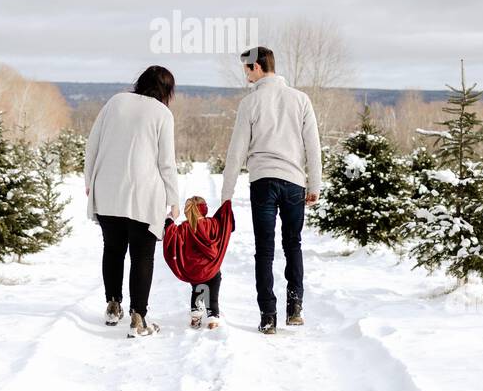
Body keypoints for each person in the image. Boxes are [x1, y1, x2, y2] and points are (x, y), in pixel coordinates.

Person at [220, 45, 322, 334]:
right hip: (293, 183)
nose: (245, 74)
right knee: (294, 244)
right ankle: (295, 307)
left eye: (246, 68)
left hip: (262, 183)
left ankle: (268, 315)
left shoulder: (250, 104)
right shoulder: (301, 100)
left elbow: (236, 152)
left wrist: (226, 196)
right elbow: (312, 147)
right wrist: (314, 185)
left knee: (264, 250)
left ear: (257, 67)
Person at [84, 65, 180, 337]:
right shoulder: (163, 114)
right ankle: (139, 316)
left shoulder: (116, 102)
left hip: (108, 189)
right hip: (143, 195)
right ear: (166, 91)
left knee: (113, 249)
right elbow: (166, 162)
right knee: (142, 256)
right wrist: (173, 198)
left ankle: (113, 305)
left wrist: (89, 180)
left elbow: (93, 143)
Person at [162, 196, 235, 330]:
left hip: (193, 271)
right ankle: (212, 316)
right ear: (204, 208)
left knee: (197, 288)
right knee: (213, 290)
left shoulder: (184, 227)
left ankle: (196, 315)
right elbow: (227, 226)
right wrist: (227, 207)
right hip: (211, 270)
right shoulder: (213, 223)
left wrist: (169, 219)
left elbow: (170, 235)